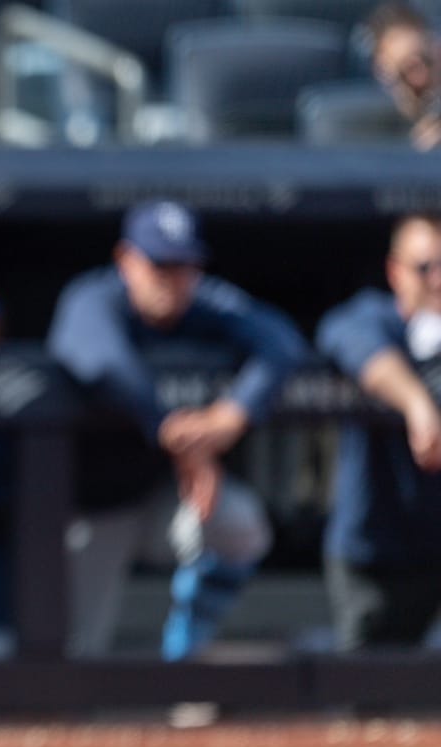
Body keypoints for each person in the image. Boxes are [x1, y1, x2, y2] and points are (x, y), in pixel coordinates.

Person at [46, 200, 309, 661]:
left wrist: (233, 414)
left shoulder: (205, 300)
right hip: (91, 509)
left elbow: (282, 341)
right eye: (159, 264)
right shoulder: (92, 298)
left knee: (240, 525)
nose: (174, 277)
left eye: (185, 264)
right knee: (75, 652)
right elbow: (101, 361)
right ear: (126, 259)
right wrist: (170, 428)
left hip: (165, 499)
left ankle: (184, 650)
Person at [315, 212, 441, 651]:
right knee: (367, 703)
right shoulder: (368, 317)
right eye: (426, 267)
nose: (439, 280)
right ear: (396, 271)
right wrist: (417, 405)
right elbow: (349, 341)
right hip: (375, 556)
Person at [366, 2, 441, 151]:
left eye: (426, 60)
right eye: (407, 68)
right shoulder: (367, 124)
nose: (422, 75)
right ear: (383, 71)